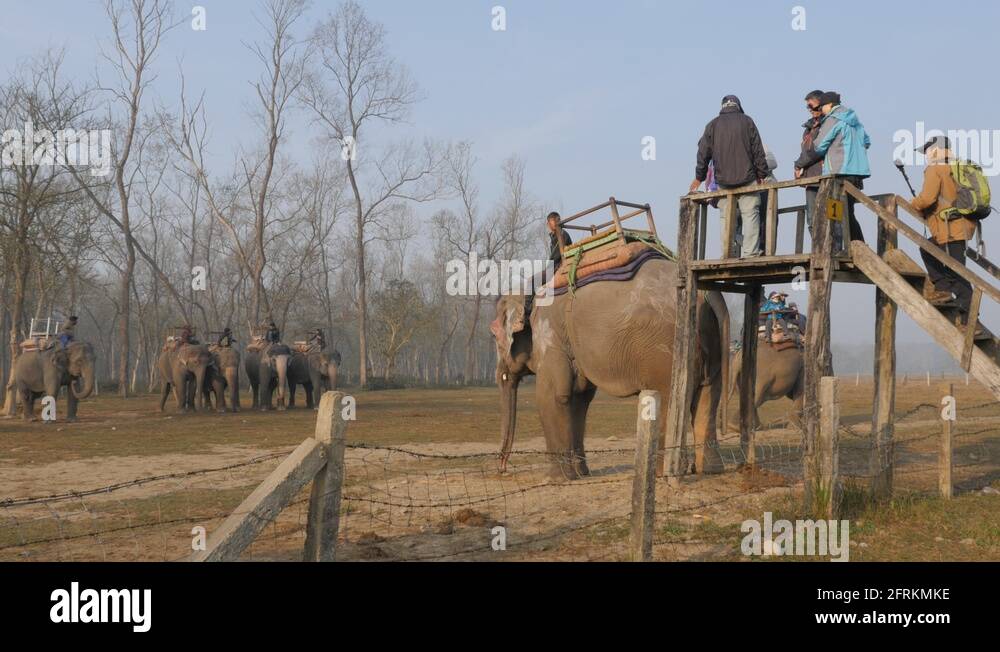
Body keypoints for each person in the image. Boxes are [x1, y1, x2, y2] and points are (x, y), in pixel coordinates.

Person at [909, 136, 981, 334]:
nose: (925, 156)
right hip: (962, 225)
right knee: (929, 250)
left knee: (957, 272)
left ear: (934, 150)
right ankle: (944, 291)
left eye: (926, 151)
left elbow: (927, 198)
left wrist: (913, 203)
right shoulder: (958, 166)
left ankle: (969, 321)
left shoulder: (935, 169)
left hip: (948, 228)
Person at [690, 95, 770, 259]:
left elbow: (703, 153)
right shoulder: (747, 121)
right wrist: (762, 174)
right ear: (738, 106)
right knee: (750, 215)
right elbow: (758, 151)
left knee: (726, 217)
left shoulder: (712, 125)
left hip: (723, 181)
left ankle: (728, 253)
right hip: (748, 178)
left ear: (722, 107)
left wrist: (699, 177)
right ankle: (750, 254)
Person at [793, 91, 870, 244]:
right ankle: (859, 246)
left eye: (822, 106)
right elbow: (866, 141)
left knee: (835, 213)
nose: (821, 109)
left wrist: (799, 163)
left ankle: (838, 249)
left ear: (829, 105)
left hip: (839, 172)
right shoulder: (854, 120)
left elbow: (819, 145)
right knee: (848, 213)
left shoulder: (833, 119)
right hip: (856, 173)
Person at [798, 90, 826, 235]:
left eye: (812, 106)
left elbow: (818, 149)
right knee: (812, 219)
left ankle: (834, 250)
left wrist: (799, 164)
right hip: (811, 178)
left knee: (831, 218)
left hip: (824, 176)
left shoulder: (828, 123)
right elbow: (806, 151)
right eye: (807, 107)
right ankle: (817, 251)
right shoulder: (809, 127)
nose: (810, 110)